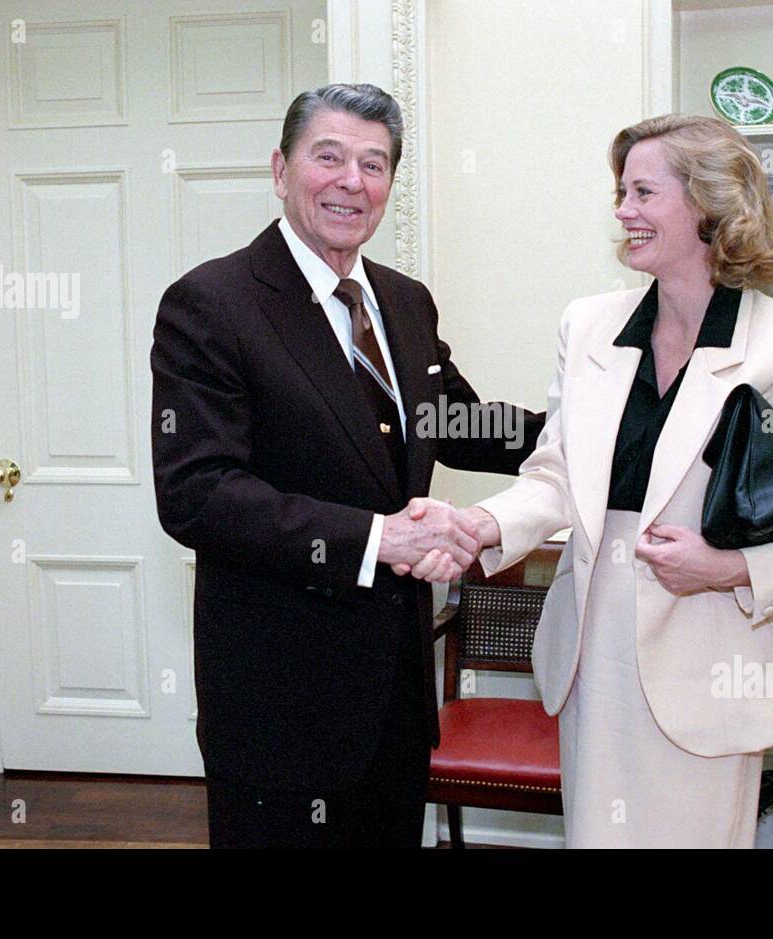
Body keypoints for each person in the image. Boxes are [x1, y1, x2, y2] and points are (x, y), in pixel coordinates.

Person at [439, 114, 773, 847]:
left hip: (708, 662)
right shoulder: (587, 326)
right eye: (621, 193)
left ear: (710, 206)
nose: (623, 212)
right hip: (593, 655)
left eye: (643, 192)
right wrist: (482, 524)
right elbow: (555, 474)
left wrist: (728, 568)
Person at [149, 83, 542, 848]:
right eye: (328, 157)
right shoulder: (212, 302)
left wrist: (594, 424)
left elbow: (453, 422)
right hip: (280, 705)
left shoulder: (404, 301)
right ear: (281, 168)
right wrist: (376, 538)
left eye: (374, 163)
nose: (351, 181)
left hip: (396, 696)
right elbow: (197, 493)